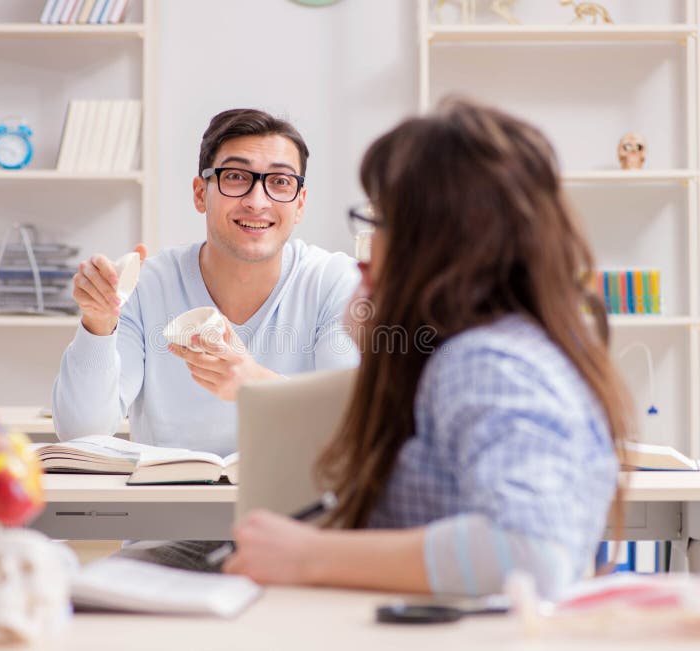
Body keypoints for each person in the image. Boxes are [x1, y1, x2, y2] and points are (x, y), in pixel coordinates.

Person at [223, 97, 632, 599]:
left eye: (383, 220)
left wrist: (308, 555)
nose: (370, 243)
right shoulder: (492, 347)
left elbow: (533, 552)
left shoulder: (483, 362)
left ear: (435, 238)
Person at [52, 108, 359, 455]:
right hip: (169, 506)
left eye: (280, 182)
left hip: (295, 506)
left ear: (299, 204)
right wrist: (98, 324)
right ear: (200, 193)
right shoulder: (148, 286)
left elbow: (355, 424)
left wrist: (256, 385)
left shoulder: (337, 283)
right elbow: (81, 432)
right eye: (236, 177)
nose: (257, 202)